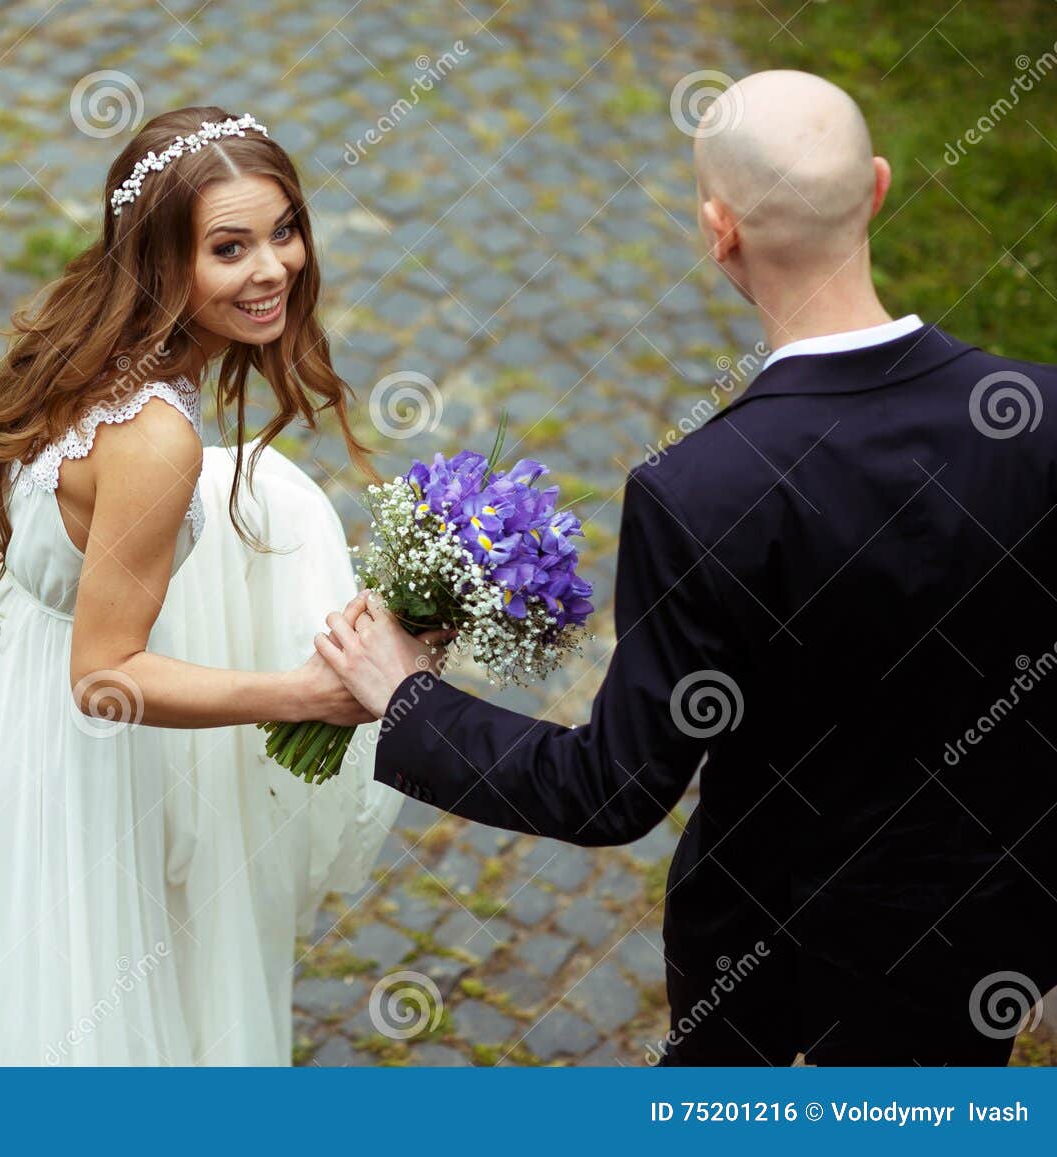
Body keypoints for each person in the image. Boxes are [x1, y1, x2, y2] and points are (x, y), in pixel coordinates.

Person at [317, 71, 1057, 1065]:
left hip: (778, 981)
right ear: (877, 187)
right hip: (985, 946)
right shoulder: (1037, 417)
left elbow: (609, 788)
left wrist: (409, 697)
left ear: (717, 229)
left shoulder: (701, 491)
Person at [0, 107, 444, 1065]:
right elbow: (105, 675)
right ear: (159, 261)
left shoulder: (93, 333)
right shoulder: (156, 439)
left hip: (4, 680)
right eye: (229, 247)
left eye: (284, 231)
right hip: (63, 747)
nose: (272, 268)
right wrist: (304, 693)